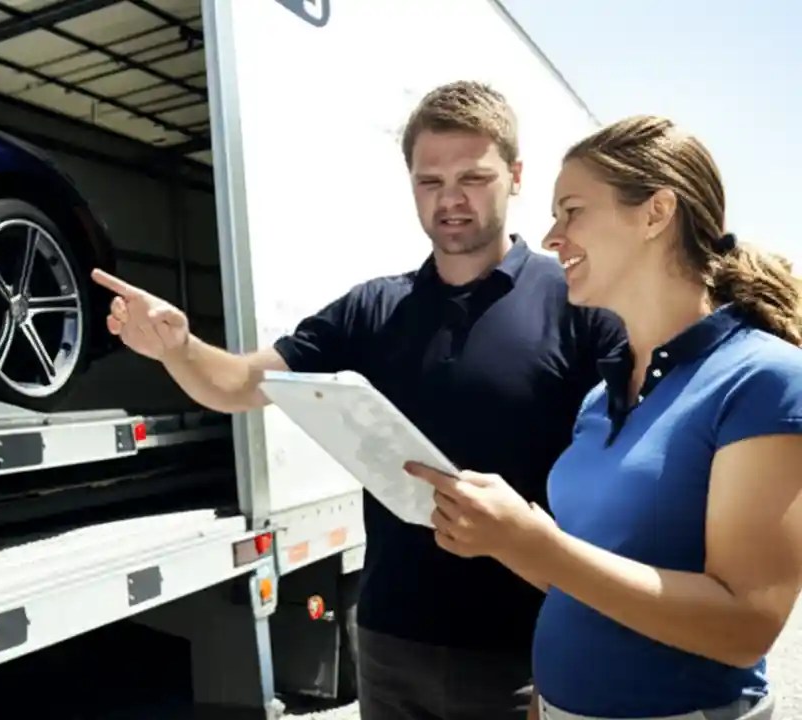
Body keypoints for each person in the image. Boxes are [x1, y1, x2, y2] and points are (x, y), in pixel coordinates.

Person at [91, 81, 627, 719]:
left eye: (473, 178)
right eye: (430, 182)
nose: (450, 199)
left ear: (514, 176)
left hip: (524, 649)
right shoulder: (375, 308)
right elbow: (238, 384)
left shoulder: (578, 304)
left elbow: (626, 477)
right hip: (388, 639)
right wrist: (178, 348)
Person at [408, 115, 802, 720]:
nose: (550, 236)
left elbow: (746, 626)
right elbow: (590, 581)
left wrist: (536, 543)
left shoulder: (763, 377)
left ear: (655, 213)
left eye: (571, 211)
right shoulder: (602, 395)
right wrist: (504, 541)